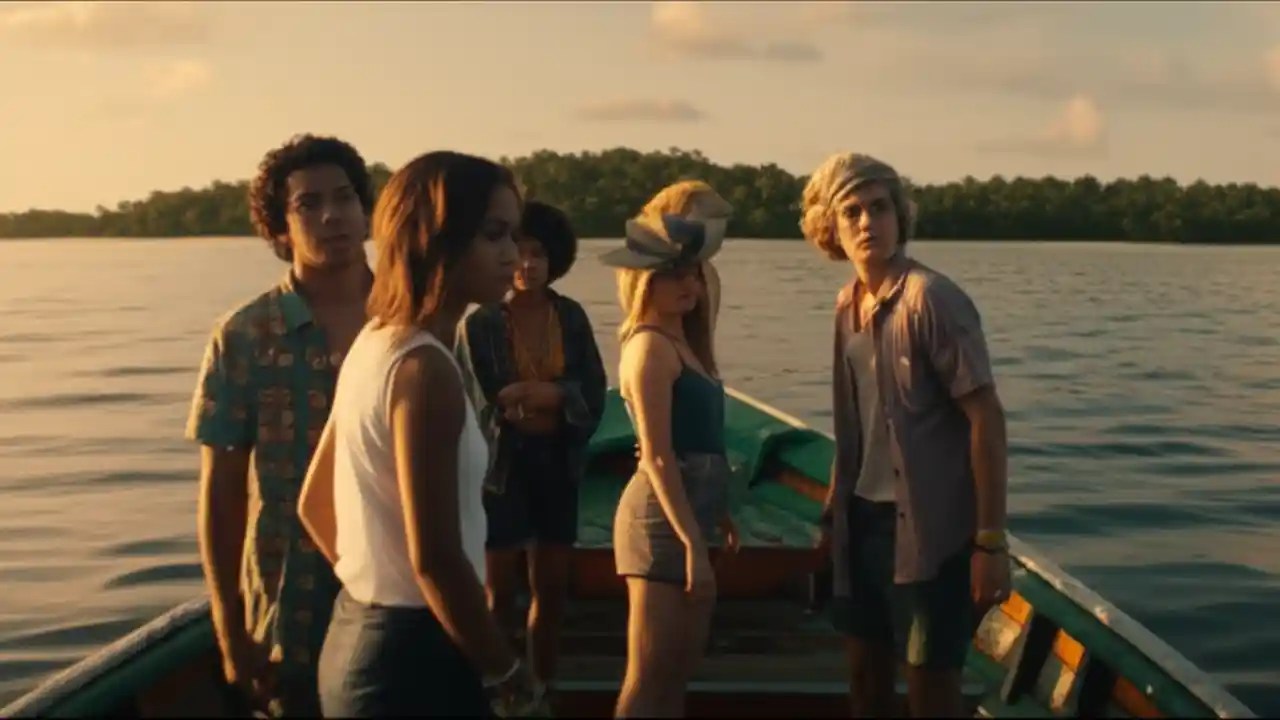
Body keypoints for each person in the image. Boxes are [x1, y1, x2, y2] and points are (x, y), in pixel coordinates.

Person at [296, 151, 544, 717]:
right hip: (412, 662)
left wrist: (377, 585)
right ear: (439, 239)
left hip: (358, 635)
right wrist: (509, 677)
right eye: (493, 235)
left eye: (514, 235)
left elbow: (315, 505)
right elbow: (435, 559)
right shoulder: (425, 370)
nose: (512, 255)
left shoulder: (374, 342)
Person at [799, 153, 1011, 718]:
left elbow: (986, 418)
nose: (868, 222)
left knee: (929, 690)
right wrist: (833, 514)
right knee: (865, 681)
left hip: (931, 534)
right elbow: (857, 427)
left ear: (899, 216)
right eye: (852, 212)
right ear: (831, 228)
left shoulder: (931, 299)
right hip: (862, 522)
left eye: (880, 208)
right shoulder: (846, 306)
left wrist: (990, 542)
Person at [187, 134, 375, 717]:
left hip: (397, 589)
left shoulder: (410, 319)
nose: (332, 215)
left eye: (344, 197)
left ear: (366, 210)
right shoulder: (245, 335)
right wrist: (228, 628)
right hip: (289, 600)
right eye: (308, 204)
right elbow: (221, 491)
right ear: (279, 229)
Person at [454, 200, 608, 698]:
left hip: (558, 464)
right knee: (499, 595)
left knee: (552, 590)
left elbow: (594, 389)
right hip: (501, 470)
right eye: (517, 251)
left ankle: (543, 686)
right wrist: (515, 403)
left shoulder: (572, 316)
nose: (527, 263)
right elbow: (473, 401)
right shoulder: (478, 324)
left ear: (554, 258)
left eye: (538, 253)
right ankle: (496, 690)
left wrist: (553, 395)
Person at [602, 180, 740, 718]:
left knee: (679, 671)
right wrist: (691, 546)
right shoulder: (649, 348)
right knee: (648, 677)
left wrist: (719, 513)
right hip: (661, 526)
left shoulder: (687, 340)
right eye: (673, 274)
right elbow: (658, 457)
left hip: (694, 518)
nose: (689, 284)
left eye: (693, 273)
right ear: (645, 281)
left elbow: (703, 439)